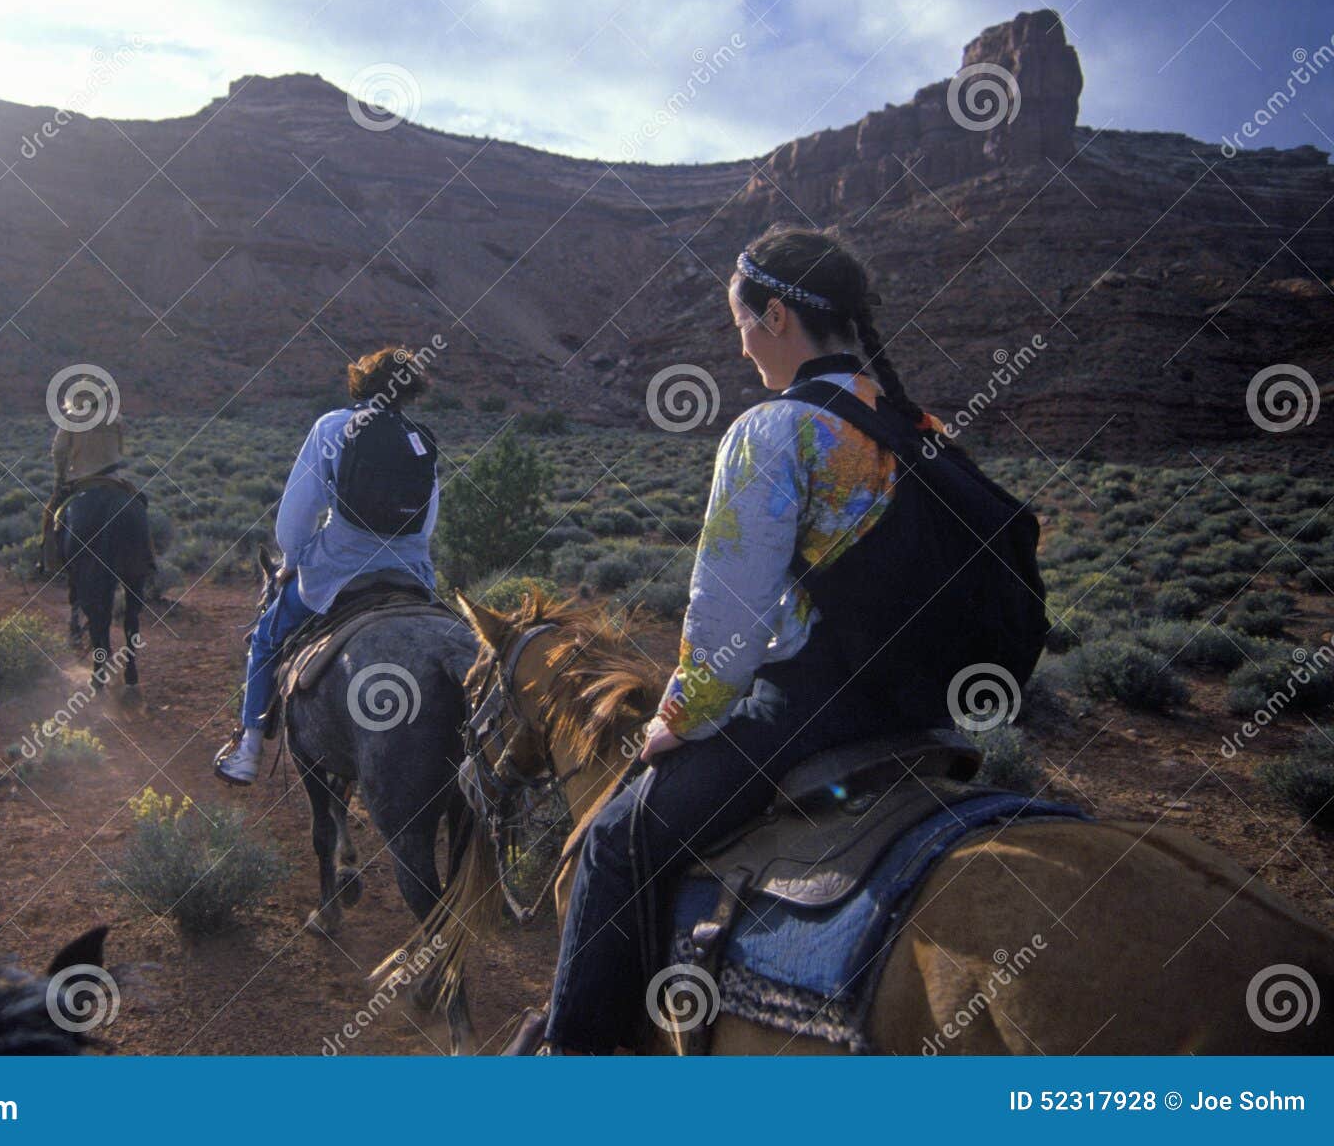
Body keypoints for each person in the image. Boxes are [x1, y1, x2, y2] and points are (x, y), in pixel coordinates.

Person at [539, 224, 958, 1053]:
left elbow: (727, 628)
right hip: (922, 713)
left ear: (774, 317)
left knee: (618, 844)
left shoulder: (774, 430)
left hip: (806, 709)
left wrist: (678, 718)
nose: (738, 347)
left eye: (739, 324)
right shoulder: (923, 426)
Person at [213, 346, 441, 785]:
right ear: (411, 390)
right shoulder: (420, 439)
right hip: (411, 573)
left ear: (361, 382)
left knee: (265, 639)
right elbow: (425, 524)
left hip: (336, 572)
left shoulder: (333, 427)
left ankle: (248, 749)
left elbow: (297, 517)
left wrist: (292, 563)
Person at [41, 382, 125, 576]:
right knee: (140, 504)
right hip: (113, 479)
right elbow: (121, 451)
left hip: (80, 480)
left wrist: (60, 477)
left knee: (50, 515)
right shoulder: (117, 420)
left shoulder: (72, 418)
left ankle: (49, 563)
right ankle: (149, 559)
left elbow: (59, 451)